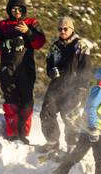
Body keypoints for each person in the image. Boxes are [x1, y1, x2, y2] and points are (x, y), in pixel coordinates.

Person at [0, 0, 46, 141]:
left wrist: (28, 32)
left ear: (24, 9)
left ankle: (24, 133)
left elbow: (39, 43)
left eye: (20, 9)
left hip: (26, 69)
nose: (17, 11)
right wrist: (7, 44)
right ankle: (12, 133)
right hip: (7, 69)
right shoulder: (3, 25)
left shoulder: (32, 23)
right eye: (14, 9)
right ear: (9, 10)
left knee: (27, 102)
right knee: (11, 101)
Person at [39, 17, 91, 151]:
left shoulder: (81, 45)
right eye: (60, 29)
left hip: (74, 86)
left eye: (65, 28)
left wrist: (82, 88)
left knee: (70, 115)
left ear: (72, 29)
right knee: (46, 111)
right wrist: (51, 71)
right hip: (57, 86)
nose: (62, 31)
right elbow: (49, 65)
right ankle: (52, 141)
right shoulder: (54, 46)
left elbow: (85, 68)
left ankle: (72, 145)